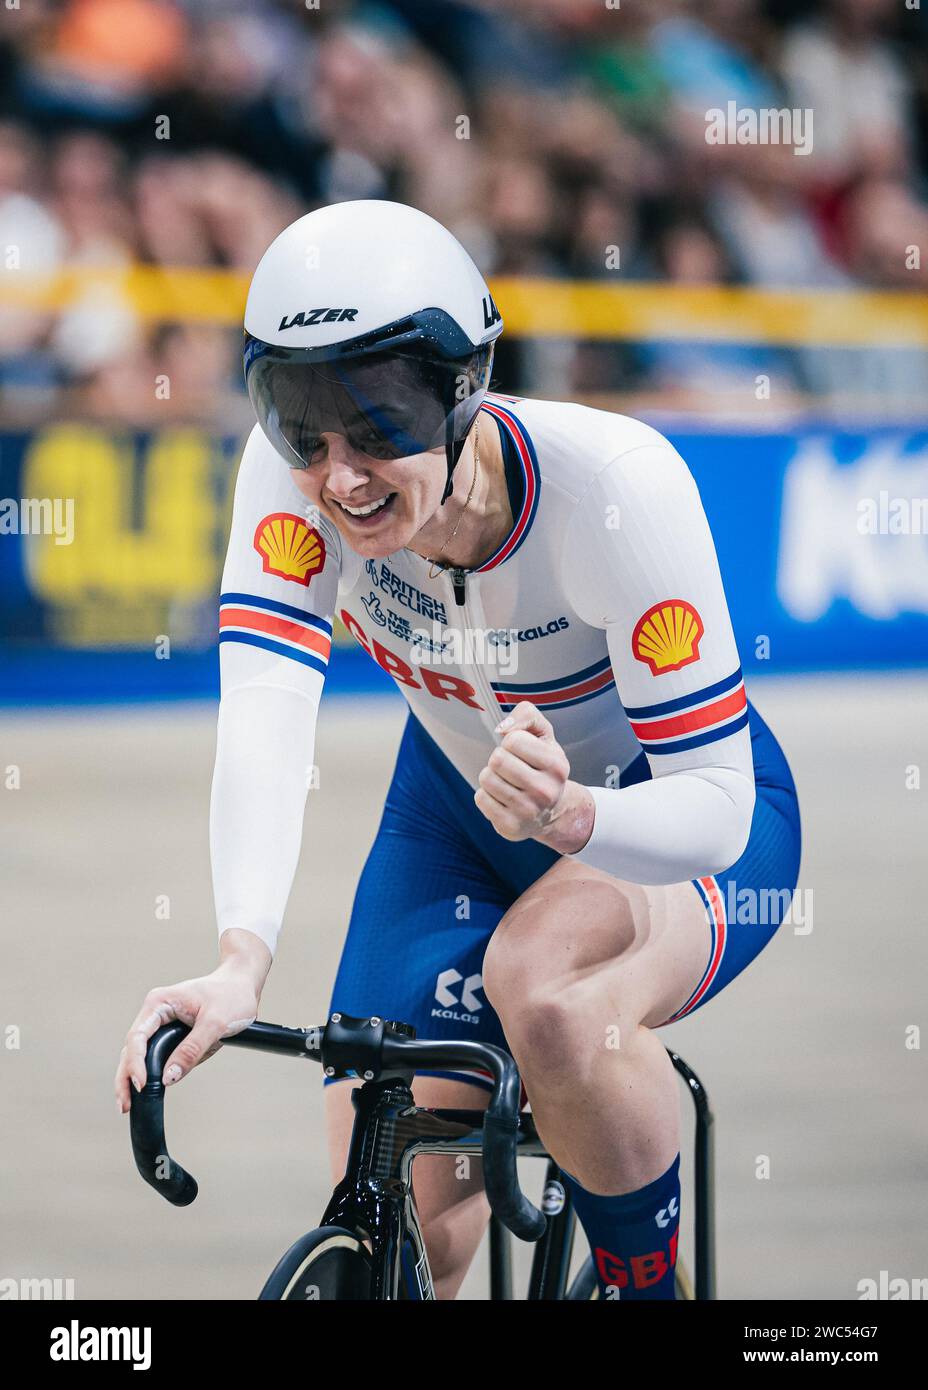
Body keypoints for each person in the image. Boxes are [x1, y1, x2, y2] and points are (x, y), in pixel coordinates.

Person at [116, 199, 801, 1300]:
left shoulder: (615, 489)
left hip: (673, 821)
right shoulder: (284, 486)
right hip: (454, 814)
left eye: (377, 419)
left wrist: (580, 817)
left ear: (463, 387)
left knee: (543, 988)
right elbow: (264, 712)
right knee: (394, 1200)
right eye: (301, 424)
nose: (340, 475)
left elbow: (716, 804)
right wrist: (240, 955)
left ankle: (645, 1286)